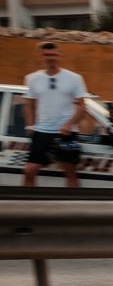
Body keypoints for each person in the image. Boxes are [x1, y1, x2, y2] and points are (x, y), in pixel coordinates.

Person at [22, 41, 86, 188]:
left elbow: (82, 106)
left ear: (60, 56)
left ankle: (74, 206)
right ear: (41, 56)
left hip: (66, 132)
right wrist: (30, 125)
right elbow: (29, 104)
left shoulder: (74, 78)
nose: (51, 58)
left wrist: (70, 124)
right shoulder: (32, 78)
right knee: (29, 170)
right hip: (42, 131)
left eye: (54, 55)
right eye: (47, 55)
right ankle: (27, 204)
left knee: (70, 172)